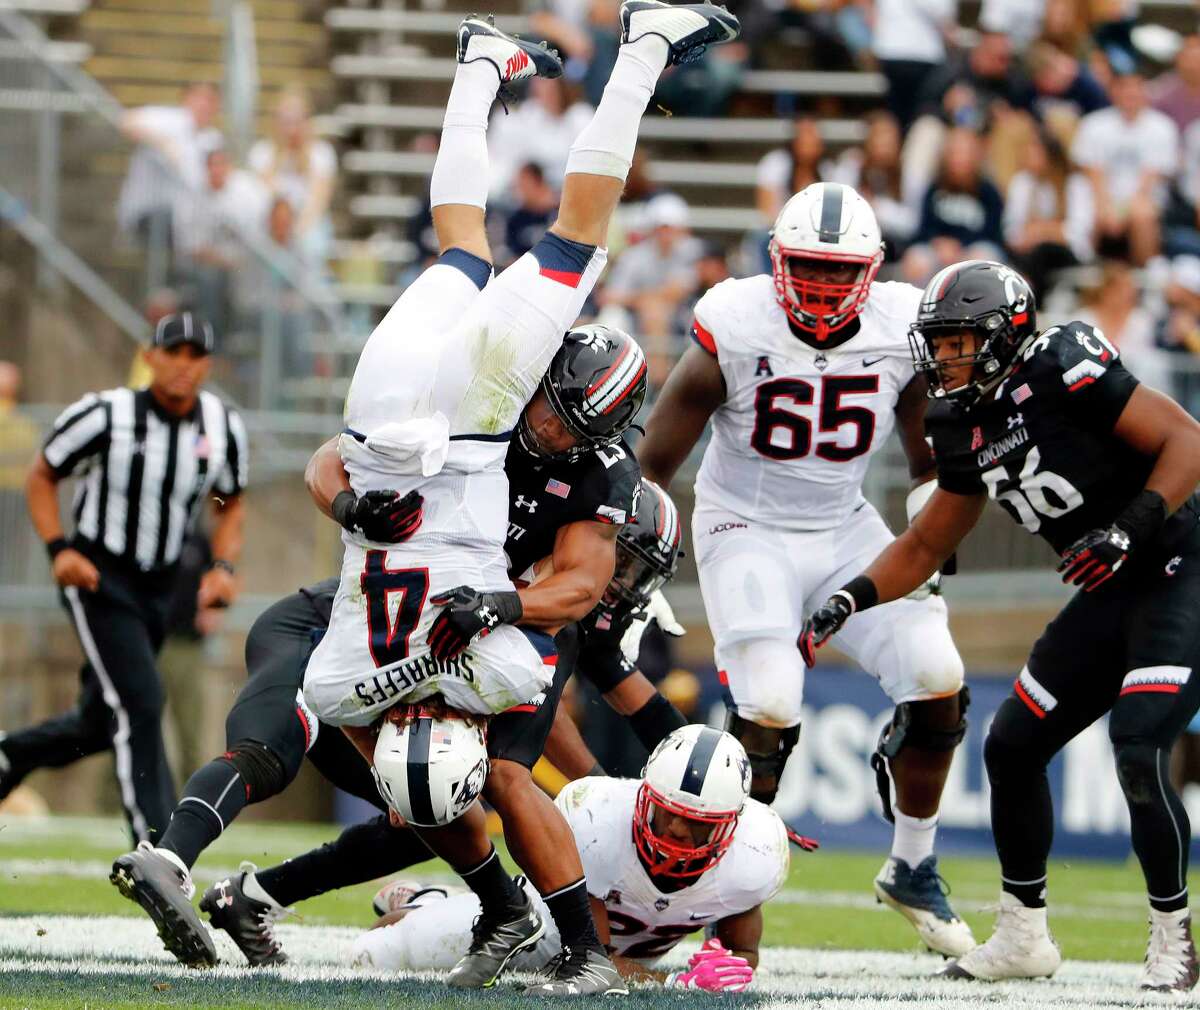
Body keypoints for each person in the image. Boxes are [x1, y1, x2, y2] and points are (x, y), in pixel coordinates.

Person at [108, 473, 690, 980]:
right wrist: (599, 793)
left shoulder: (568, 613)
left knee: (433, 809)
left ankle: (253, 898)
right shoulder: (511, 580)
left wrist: (698, 786)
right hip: (327, 642)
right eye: (626, 561)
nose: (625, 583)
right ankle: (169, 860)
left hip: (392, 690)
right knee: (270, 753)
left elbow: (641, 711)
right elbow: (530, 727)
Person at [800, 259, 1200, 993]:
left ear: (1005, 332)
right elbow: (927, 542)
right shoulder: (955, 419)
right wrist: (850, 597)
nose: (946, 357)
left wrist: (1126, 530)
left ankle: (1175, 936)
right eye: (940, 342)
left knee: (1139, 745)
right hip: (1110, 592)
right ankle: (1023, 933)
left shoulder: (1064, 361)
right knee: (1013, 744)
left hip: (1180, 563)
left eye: (959, 341)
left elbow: (1188, 441)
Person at [636, 181, 973, 957]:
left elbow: (927, 457)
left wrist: (930, 525)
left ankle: (913, 865)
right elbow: (656, 457)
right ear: (777, 262)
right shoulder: (737, 318)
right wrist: (636, 554)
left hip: (845, 525)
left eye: (838, 270)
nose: (821, 285)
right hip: (744, 522)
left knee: (936, 671)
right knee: (772, 699)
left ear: (873, 271)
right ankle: (722, 896)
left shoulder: (900, 326)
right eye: (808, 268)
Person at [0, 312, 247, 845]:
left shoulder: (221, 426)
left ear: (207, 365)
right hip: (96, 575)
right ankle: (156, 844)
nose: (183, 366)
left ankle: (9, 756)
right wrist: (57, 549)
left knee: (99, 723)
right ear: (150, 356)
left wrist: (223, 567)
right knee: (141, 701)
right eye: (173, 353)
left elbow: (228, 498)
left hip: (160, 588)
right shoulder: (105, 414)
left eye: (195, 356)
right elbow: (43, 474)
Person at [351, 726, 788, 996]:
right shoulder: (599, 815)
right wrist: (673, 984)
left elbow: (740, 951)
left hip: (628, 956)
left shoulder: (755, 853)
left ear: (730, 824)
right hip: (545, 929)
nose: (675, 830)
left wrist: (730, 969)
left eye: (696, 823)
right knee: (375, 950)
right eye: (666, 812)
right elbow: (593, 956)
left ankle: (436, 898)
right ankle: (425, 900)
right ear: (644, 796)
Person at [117, 83, 222, 287]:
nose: (205, 106)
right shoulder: (169, 119)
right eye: (201, 98)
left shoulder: (213, 139)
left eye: (211, 101)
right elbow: (126, 121)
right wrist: (163, 144)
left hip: (190, 223)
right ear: (186, 98)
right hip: (150, 215)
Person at [1071, 70, 1179, 266]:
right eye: (1124, 87)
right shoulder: (1093, 124)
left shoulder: (1162, 127)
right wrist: (1105, 207)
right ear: (1113, 91)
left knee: (1142, 214)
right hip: (1100, 195)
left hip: (1141, 199)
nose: (1130, 93)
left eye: (1136, 87)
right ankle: (1085, 269)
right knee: (1086, 210)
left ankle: (1146, 275)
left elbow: (1150, 180)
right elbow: (1092, 171)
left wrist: (1120, 212)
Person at [248, 86, 338, 267]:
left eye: (297, 121)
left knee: (311, 243)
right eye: (286, 121)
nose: (292, 129)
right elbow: (269, 196)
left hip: (308, 224)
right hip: (273, 224)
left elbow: (318, 202)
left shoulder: (321, 153)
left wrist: (297, 231)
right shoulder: (261, 152)